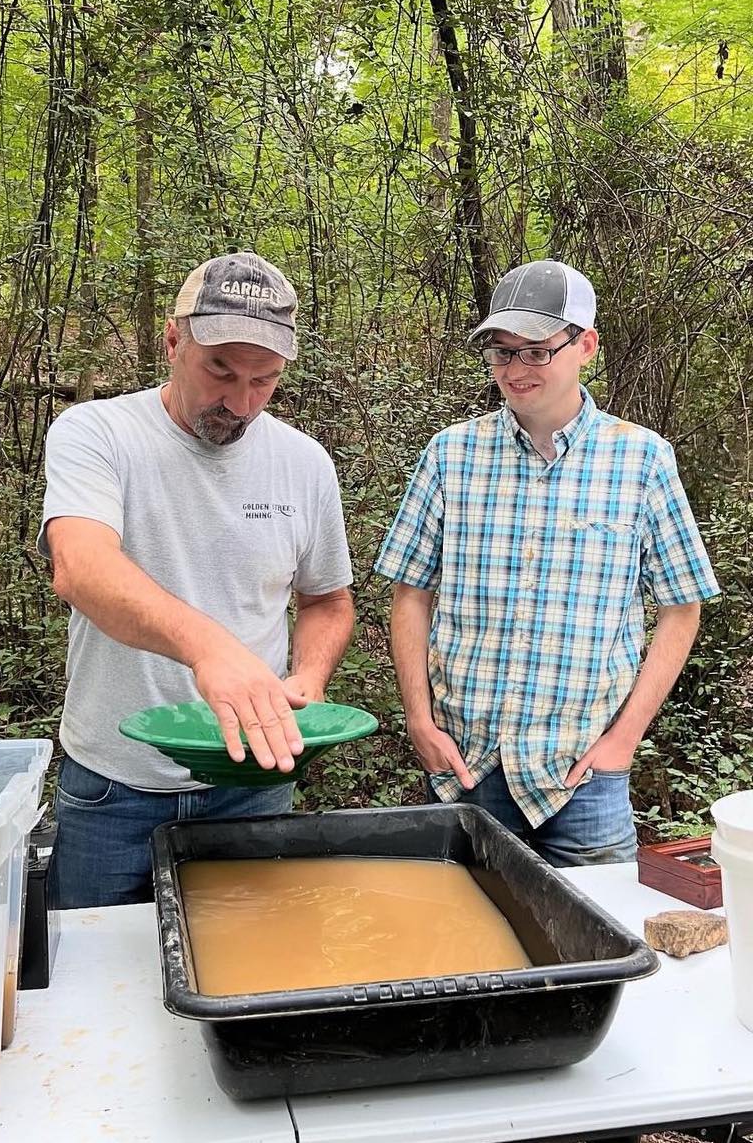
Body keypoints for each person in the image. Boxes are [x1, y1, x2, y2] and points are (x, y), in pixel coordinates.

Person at [375, 259, 718, 866]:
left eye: (536, 351)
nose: (515, 369)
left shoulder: (640, 459)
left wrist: (623, 740)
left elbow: (681, 607)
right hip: (466, 767)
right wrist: (420, 722)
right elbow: (411, 593)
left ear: (585, 345)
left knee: (600, 929)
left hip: (583, 775)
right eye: (502, 352)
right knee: (463, 925)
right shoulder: (451, 454)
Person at [39, 252, 355, 908]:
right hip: (113, 783)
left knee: (248, 954)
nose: (240, 402)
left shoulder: (305, 464)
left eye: (264, 380)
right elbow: (80, 567)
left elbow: (326, 600)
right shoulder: (98, 433)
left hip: (253, 779)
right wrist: (212, 651)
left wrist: (308, 678)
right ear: (173, 341)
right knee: (93, 962)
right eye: (220, 371)